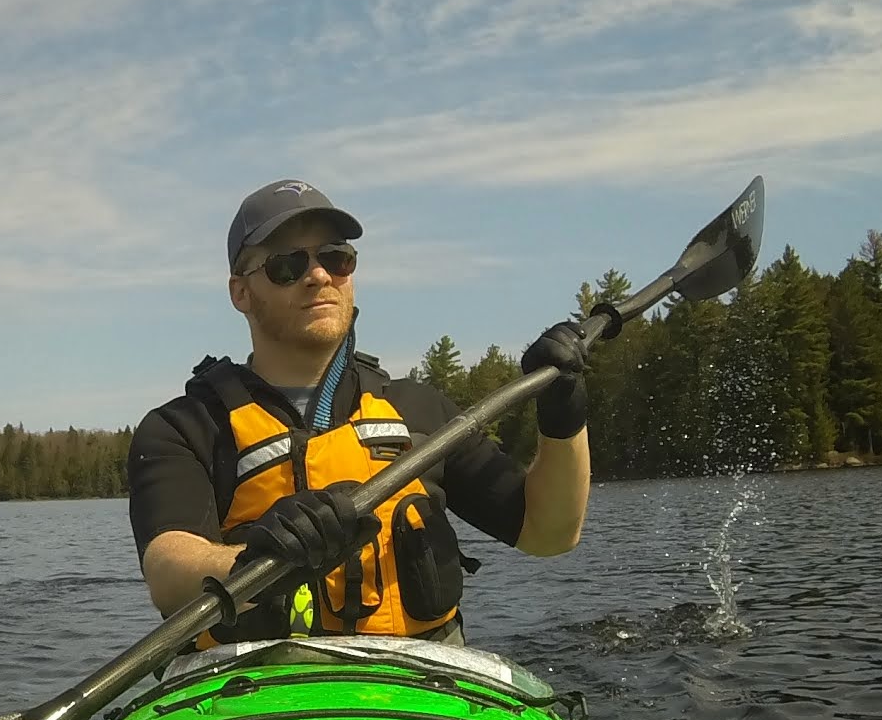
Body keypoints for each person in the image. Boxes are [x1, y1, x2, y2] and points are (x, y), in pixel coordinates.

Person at [127, 178, 591, 649]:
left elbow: (548, 533)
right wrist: (253, 559)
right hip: (252, 698)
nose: (319, 276)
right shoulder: (184, 429)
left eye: (335, 258)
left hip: (417, 693)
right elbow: (168, 570)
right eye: (287, 265)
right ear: (240, 292)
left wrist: (564, 419)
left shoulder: (421, 411)